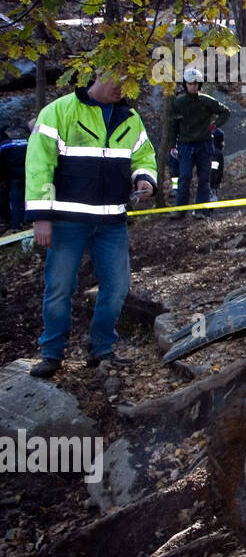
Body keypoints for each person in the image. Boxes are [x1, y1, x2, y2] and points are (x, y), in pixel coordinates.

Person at [25, 70, 157, 377]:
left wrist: (145, 180)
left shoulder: (130, 118)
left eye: (129, 83)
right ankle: (52, 353)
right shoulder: (59, 111)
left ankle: (101, 348)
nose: (123, 88)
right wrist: (41, 217)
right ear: (98, 74)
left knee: (118, 287)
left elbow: (144, 157)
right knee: (59, 287)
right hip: (66, 223)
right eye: (118, 80)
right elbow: (38, 167)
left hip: (111, 222)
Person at [169, 67, 231, 218]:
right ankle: (180, 210)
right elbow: (173, 126)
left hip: (204, 145)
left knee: (204, 178)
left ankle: (201, 211)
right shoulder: (179, 103)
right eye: (190, 84)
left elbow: (225, 112)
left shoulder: (207, 101)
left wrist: (213, 126)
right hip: (186, 145)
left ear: (200, 84)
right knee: (184, 178)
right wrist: (172, 145)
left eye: (196, 84)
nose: (193, 86)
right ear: (185, 84)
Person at [0, 120, 29, 230]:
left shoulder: (4, 145)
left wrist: (3, 179)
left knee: (16, 202)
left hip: (15, 178)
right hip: (31, 175)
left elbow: (1, 164)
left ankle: (16, 226)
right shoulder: (29, 141)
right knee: (31, 199)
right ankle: (30, 222)